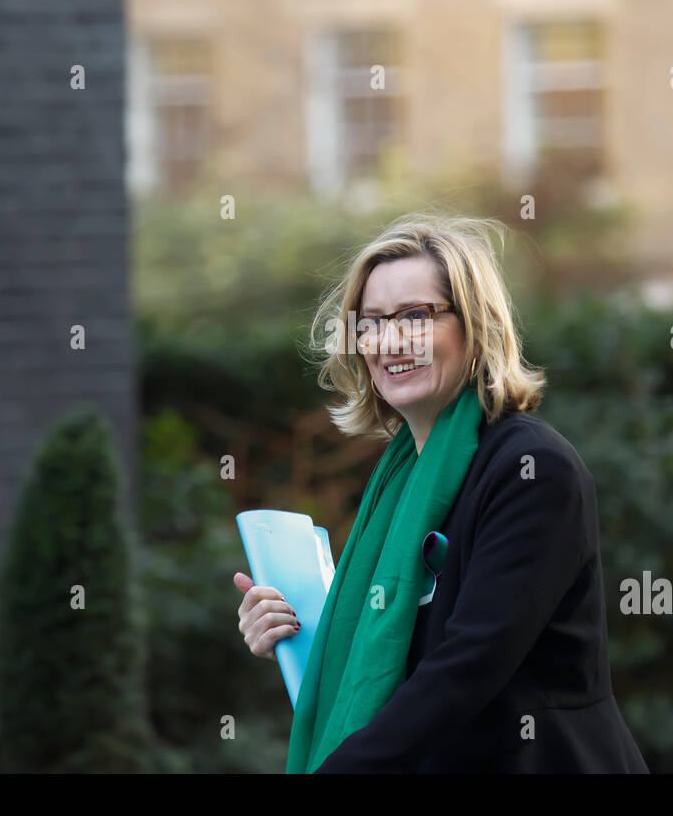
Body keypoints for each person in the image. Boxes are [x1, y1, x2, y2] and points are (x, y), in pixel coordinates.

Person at [234, 212, 648, 774]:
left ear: (474, 326)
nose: (391, 340)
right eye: (372, 321)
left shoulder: (531, 470)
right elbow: (390, 644)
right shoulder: (402, 479)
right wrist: (301, 632)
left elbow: (468, 665)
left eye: (415, 315)